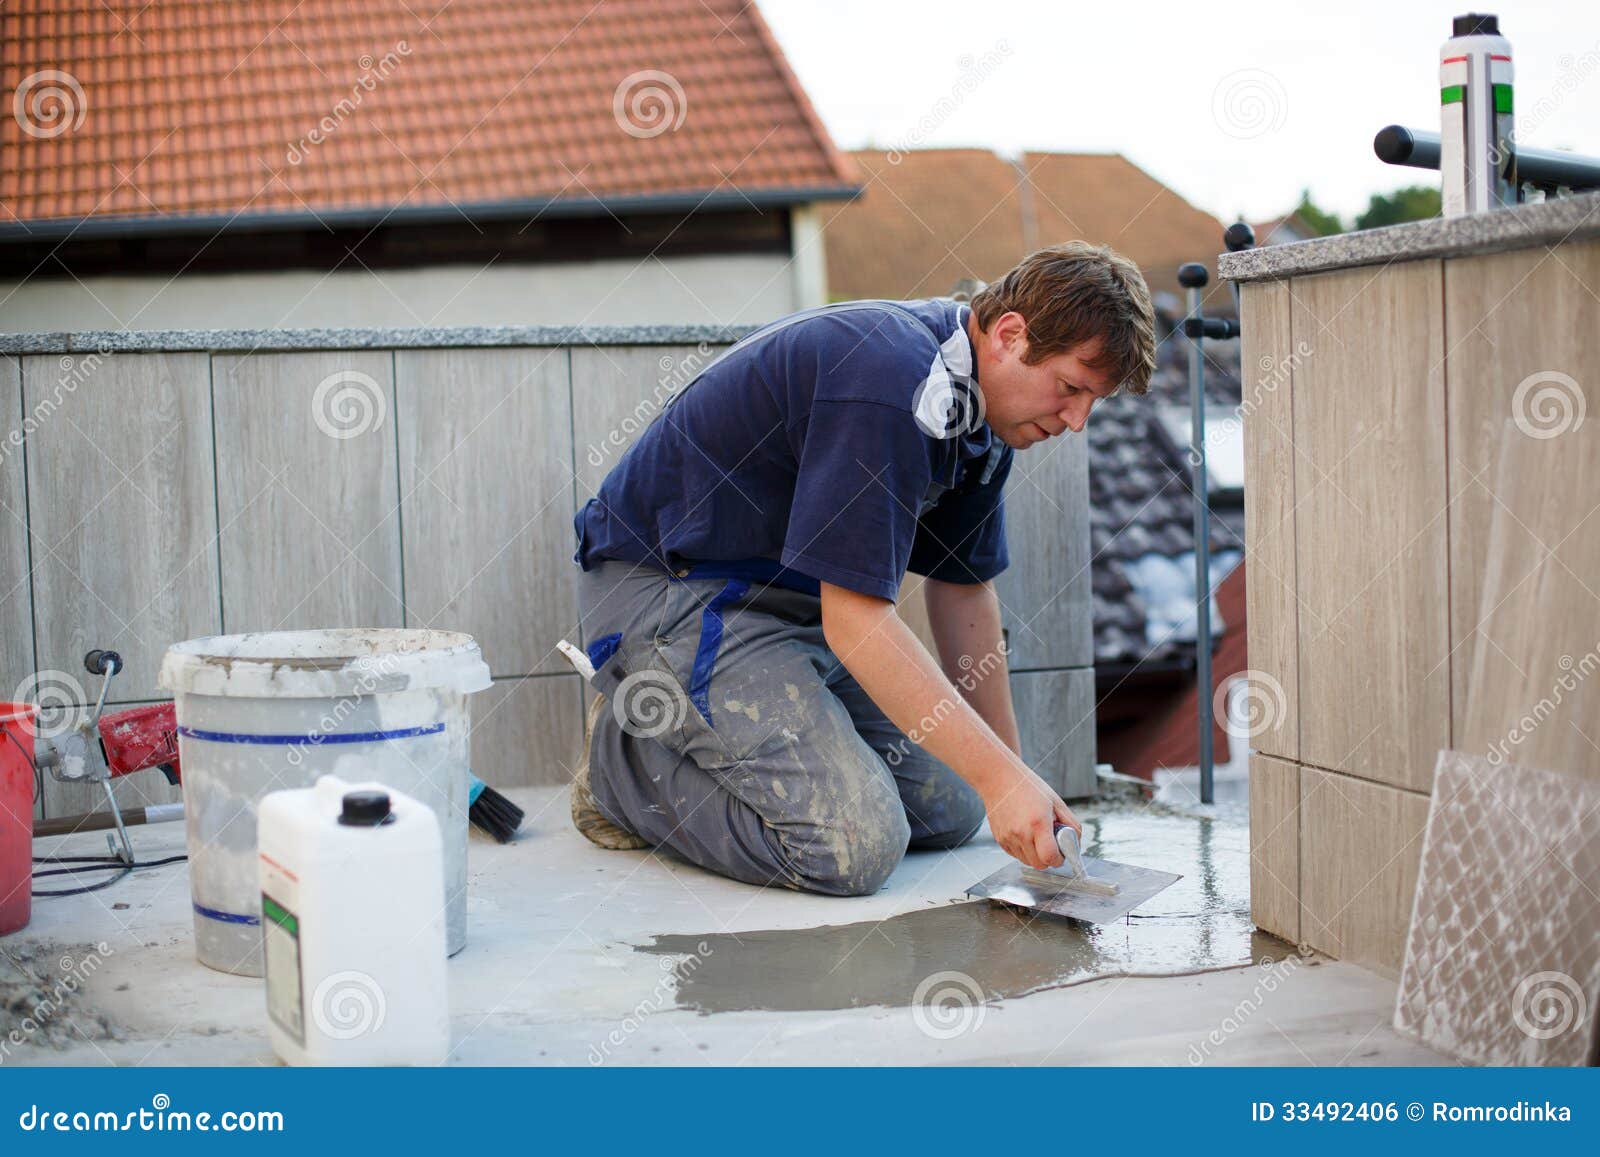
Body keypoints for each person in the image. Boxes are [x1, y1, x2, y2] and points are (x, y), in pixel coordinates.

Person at [565, 241, 1156, 896]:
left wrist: (1013, 777)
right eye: (1072, 388)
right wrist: (1003, 781)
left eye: (1092, 402)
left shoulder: (981, 420)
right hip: (670, 595)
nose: (1076, 421)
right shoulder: (888, 376)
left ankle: (716, 736)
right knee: (853, 845)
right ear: (1011, 335)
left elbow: (963, 592)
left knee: (956, 806)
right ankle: (621, 762)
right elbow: (856, 621)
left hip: (787, 613)